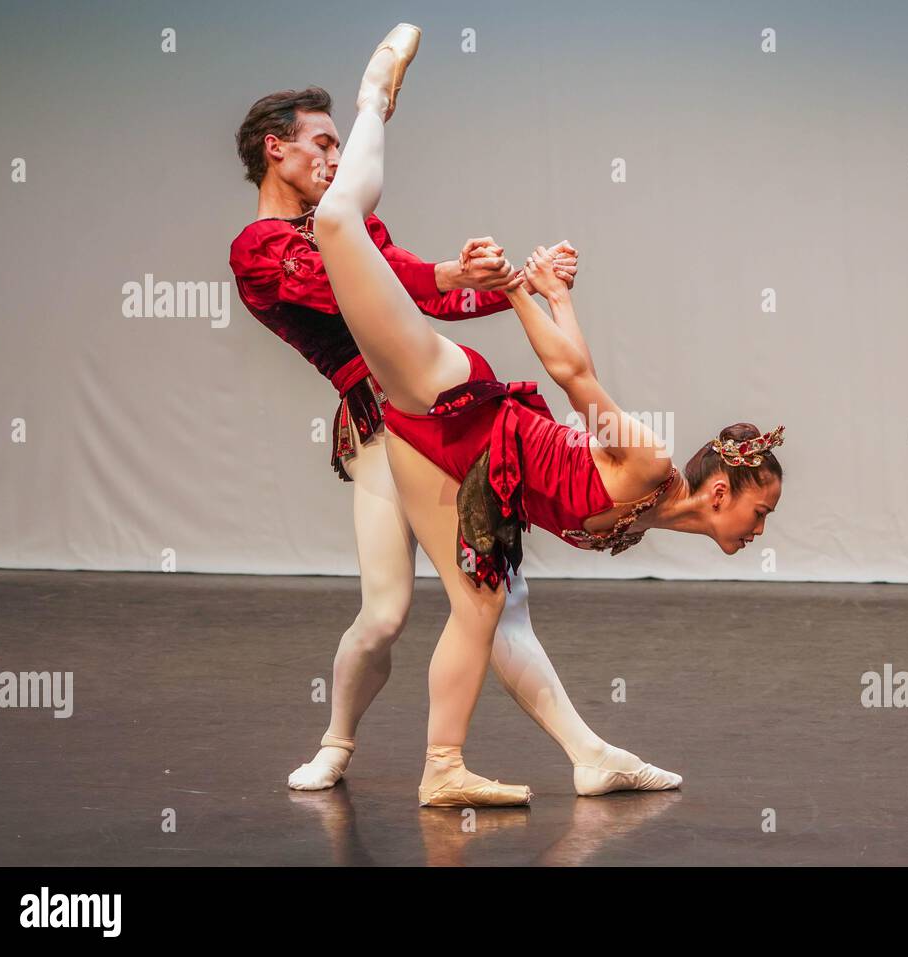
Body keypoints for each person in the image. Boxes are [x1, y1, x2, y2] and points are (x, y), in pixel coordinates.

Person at [312, 24, 784, 806]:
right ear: (724, 488)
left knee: (486, 607)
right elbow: (574, 376)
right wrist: (512, 291)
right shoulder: (648, 461)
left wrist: (556, 292)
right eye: (761, 512)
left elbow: (579, 366)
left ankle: (483, 765)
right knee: (336, 224)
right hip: (453, 401)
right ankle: (372, 97)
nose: (759, 531)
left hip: (448, 459)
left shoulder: (655, 509)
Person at [229, 83, 681, 802]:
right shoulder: (262, 249)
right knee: (386, 614)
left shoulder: (353, 230)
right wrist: (446, 275)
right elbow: (360, 289)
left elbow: (425, 299)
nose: (334, 156)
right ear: (272, 148)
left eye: (341, 143)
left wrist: (503, 285)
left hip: (435, 420)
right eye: (321, 142)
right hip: (381, 430)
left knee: (494, 593)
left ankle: (586, 752)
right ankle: (337, 742)